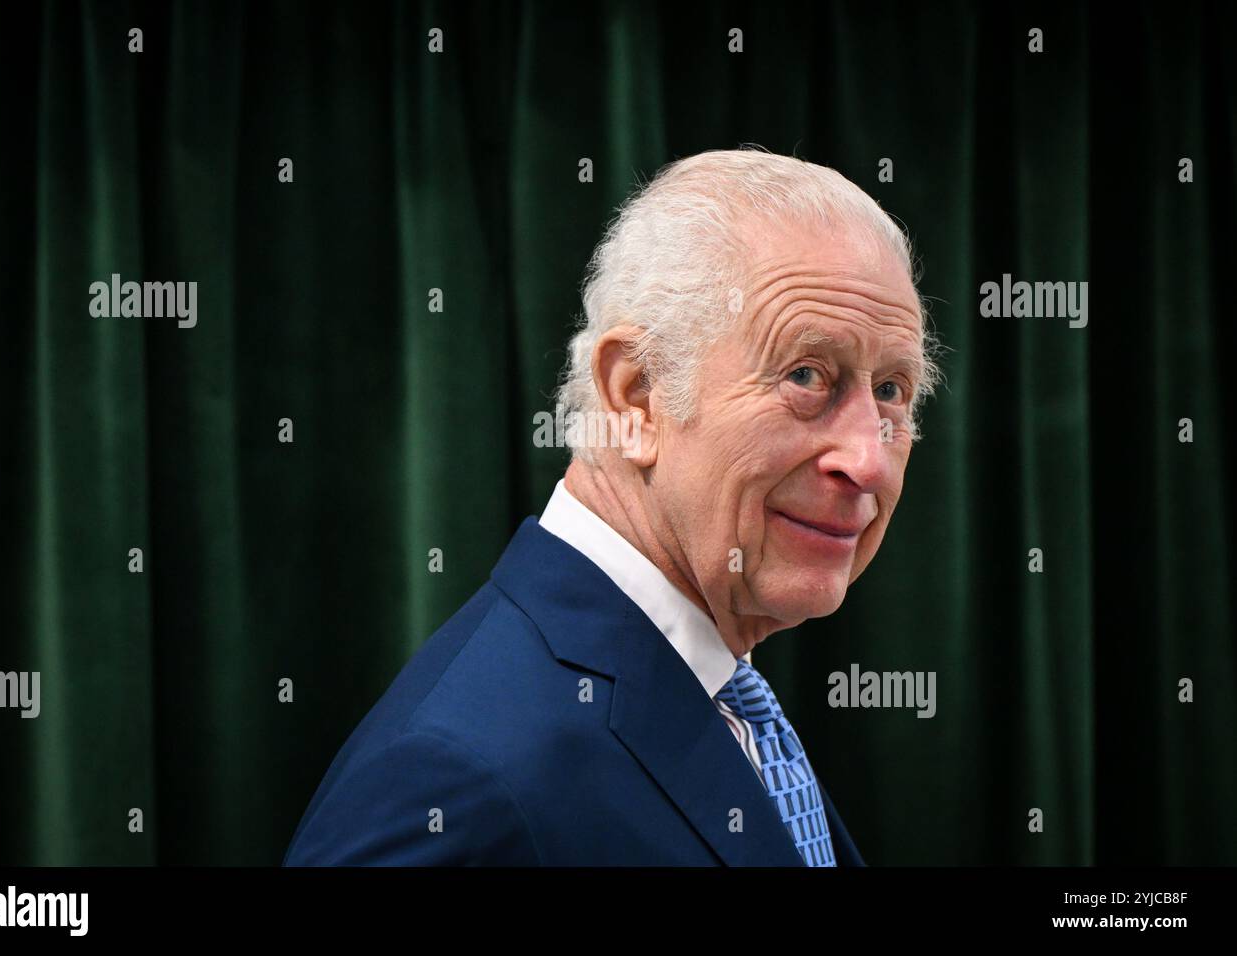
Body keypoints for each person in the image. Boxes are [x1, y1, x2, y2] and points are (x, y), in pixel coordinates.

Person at [284, 146, 940, 866]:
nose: (869, 461)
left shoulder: (720, 692)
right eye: (807, 375)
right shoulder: (455, 780)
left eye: (891, 392)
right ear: (635, 397)